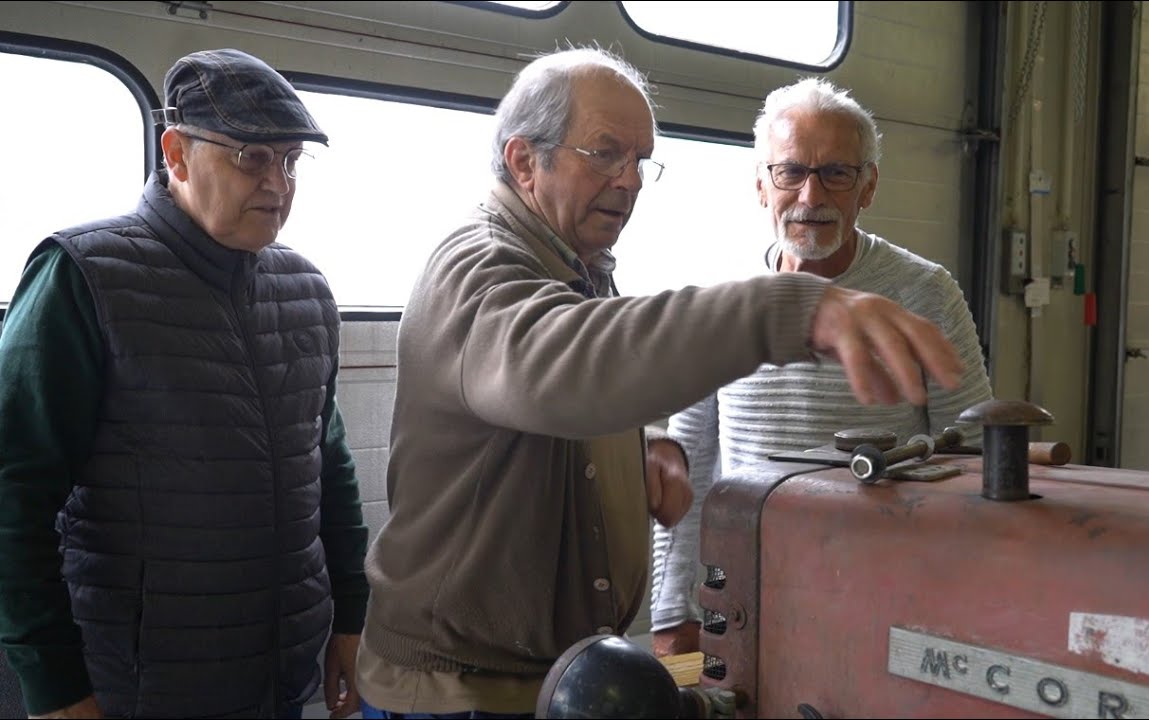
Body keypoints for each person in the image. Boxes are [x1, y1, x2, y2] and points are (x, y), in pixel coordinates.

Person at [355, 47, 964, 719]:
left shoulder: (578, 268)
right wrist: (785, 310)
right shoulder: (479, 265)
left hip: (555, 676)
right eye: (605, 154)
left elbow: (561, 397)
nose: (630, 181)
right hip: (463, 693)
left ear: (867, 186)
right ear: (525, 161)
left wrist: (637, 448)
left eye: (640, 160)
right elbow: (565, 369)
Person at [0, 49, 369, 719]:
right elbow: (12, 495)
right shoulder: (83, 277)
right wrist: (54, 686)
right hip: (135, 684)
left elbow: (328, 464)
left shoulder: (307, 291)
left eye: (291, 161)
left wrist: (351, 614)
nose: (279, 184)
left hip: (278, 674)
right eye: (252, 157)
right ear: (176, 154)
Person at [649, 77, 996, 657]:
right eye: (790, 172)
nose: (811, 197)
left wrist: (951, 599)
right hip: (745, 585)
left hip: (884, 591)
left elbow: (971, 452)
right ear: (761, 185)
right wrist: (672, 611)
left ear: (868, 187)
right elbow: (690, 463)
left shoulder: (926, 292)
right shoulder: (719, 296)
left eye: (836, 172)